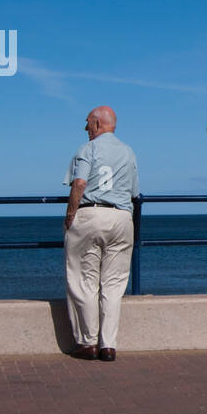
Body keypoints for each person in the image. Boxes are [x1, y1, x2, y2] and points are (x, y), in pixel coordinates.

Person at [63, 106, 140, 361]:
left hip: (91, 214)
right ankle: (108, 345)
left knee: (84, 280)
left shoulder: (88, 150)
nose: (86, 129)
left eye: (87, 124)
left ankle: (88, 342)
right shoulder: (128, 152)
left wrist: (70, 214)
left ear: (96, 123)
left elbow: (80, 183)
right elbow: (134, 193)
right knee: (114, 284)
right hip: (121, 218)